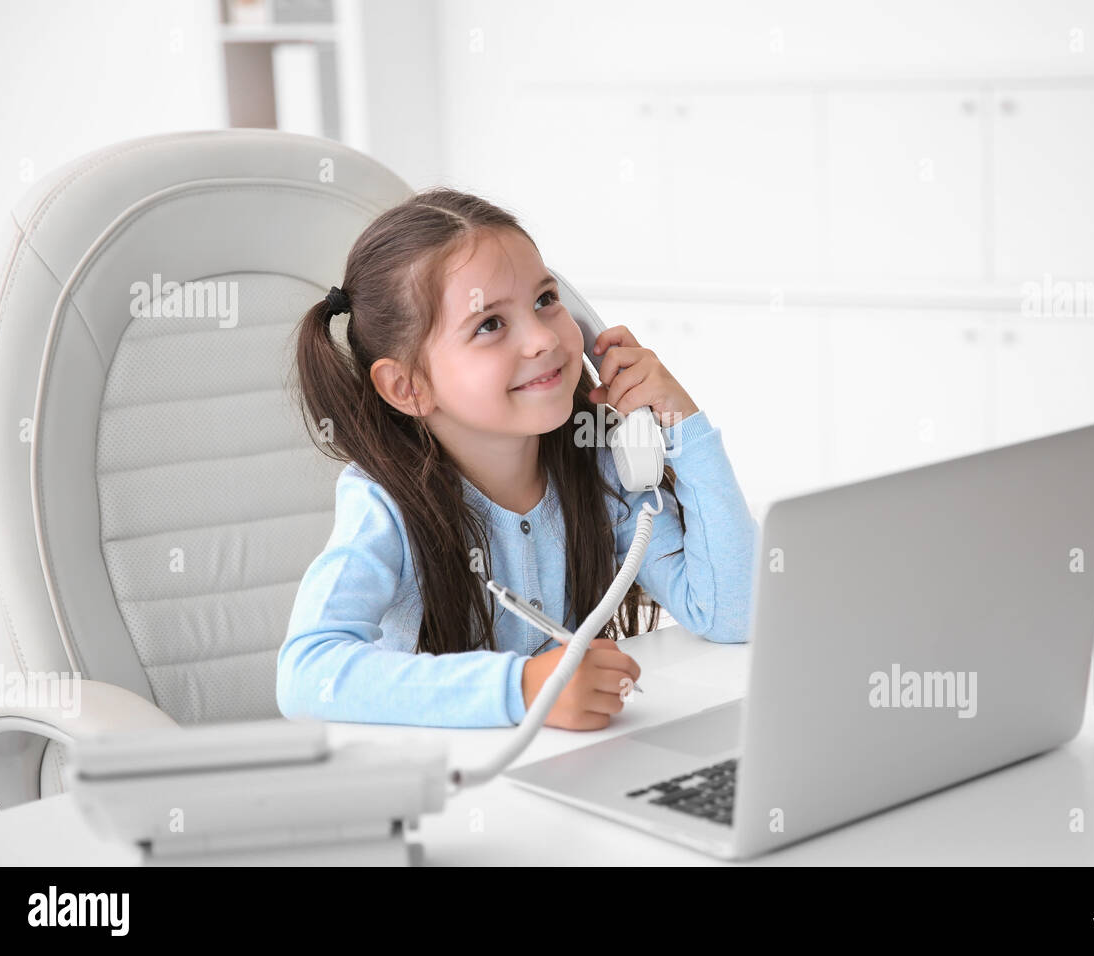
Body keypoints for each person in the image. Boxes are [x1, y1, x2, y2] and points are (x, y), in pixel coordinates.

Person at [277, 188, 757, 730]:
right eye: (489, 325)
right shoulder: (384, 505)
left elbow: (733, 614)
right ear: (407, 386)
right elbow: (305, 674)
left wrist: (682, 427)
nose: (542, 339)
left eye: (545, 300)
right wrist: (522, 688)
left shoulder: (598, 465)